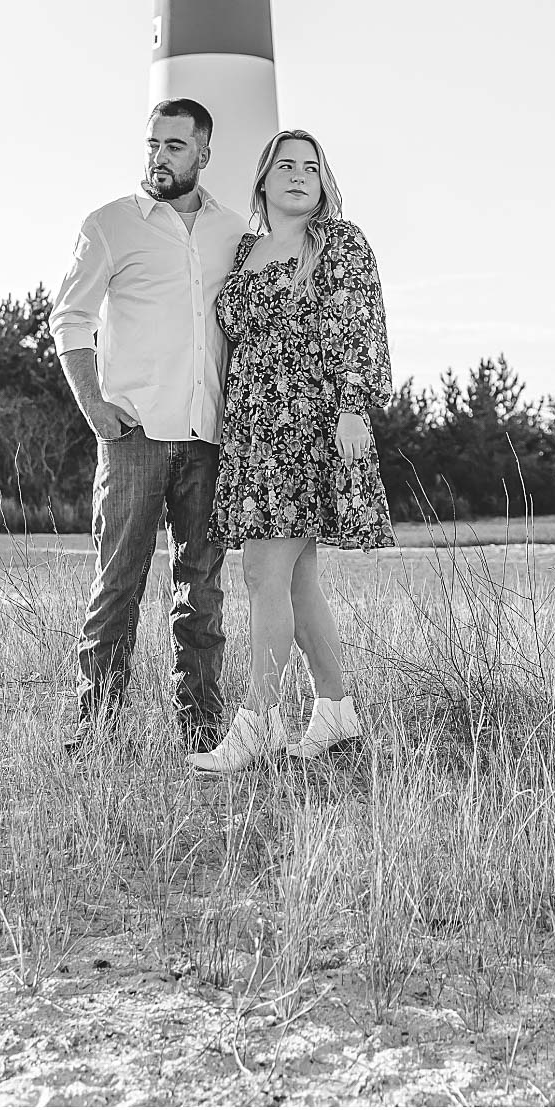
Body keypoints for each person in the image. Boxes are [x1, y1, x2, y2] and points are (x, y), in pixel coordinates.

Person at [189, 128, 396, 776]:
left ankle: (258, 719)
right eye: (286, 165)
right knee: (296, 577)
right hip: (252, 429)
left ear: (324, 179)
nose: (300, 175)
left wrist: (354, 408)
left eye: (312, 166)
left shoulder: (336, 241)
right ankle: (335, 708)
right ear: (262, 180)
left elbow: (363, 324)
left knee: (263, 574)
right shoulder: (246, 249)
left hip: (307, 425)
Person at [49, 99, 248, 753]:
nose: (159, 157)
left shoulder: (231, 230)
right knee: (118, 585)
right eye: (152, 144)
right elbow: (69, 319)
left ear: (203, 153)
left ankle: (201, 733)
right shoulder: (110, 224)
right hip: (134, 434)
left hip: (207, 437)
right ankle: (97, 729)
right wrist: (95, 407)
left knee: (202, 595)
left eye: (174, 146)